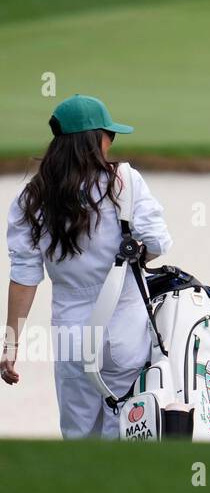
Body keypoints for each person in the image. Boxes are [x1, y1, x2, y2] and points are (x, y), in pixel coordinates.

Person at [3, 95, 172, 439]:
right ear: (96, 140)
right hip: (125, 329)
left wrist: (11, 343)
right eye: (110, 134)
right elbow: (157, 242)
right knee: (125, 434)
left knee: (79, 437)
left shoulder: (32, 198)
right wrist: (135, 257)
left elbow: (24, 276)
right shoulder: (125, 181)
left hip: (71, 335)